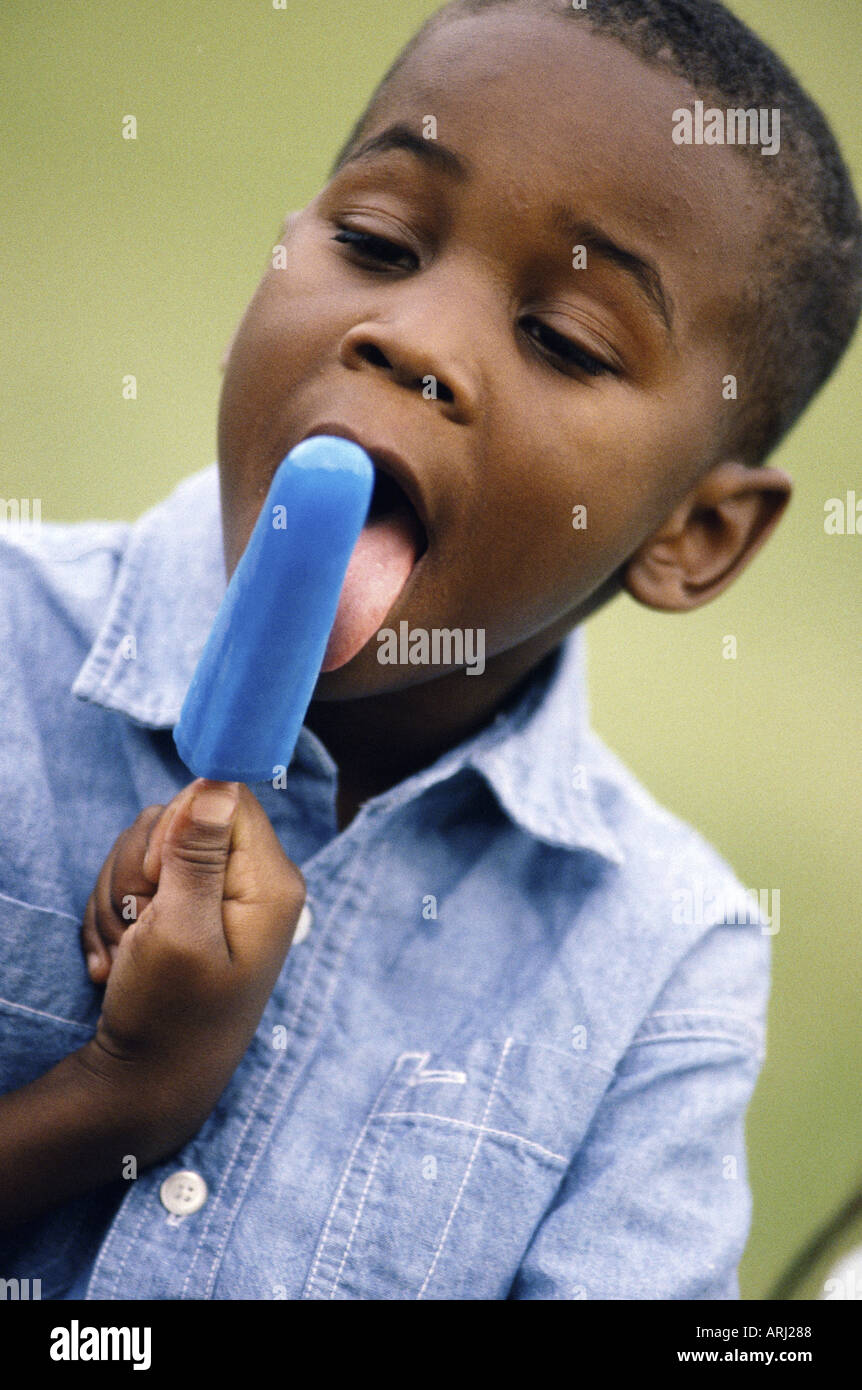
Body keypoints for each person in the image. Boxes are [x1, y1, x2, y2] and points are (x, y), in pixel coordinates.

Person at [0, 0, 859, 1300]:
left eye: (564, 340)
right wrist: (109, 1100)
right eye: (375, 240)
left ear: (694, 531)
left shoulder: (659, 961)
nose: (413, 341)